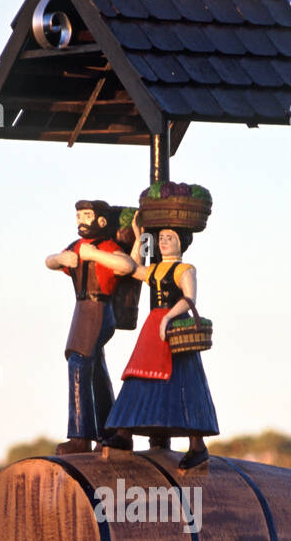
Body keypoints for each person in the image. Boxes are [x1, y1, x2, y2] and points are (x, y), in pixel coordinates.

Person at [103, 218, 218, 469]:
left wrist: (168, 316)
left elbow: (189, 298)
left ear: (182, 243)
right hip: (152, 329)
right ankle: (124, 433)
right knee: (139, 376)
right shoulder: (155, 269)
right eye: (162, 238)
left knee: (183, 381)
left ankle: (197, 444)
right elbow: (134, 268)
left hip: (174, 327)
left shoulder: (184, 269)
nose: (164, 242)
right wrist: (140, 235)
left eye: (171, 238)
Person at [45, 200, 135, 454]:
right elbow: (49, 261)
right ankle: (111, 431)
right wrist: (60, 258)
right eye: (79, 216)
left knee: (79, 363)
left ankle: (80, 436)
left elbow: (127, 265)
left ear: (101, 220)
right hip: (82, 308)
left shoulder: (105, 247)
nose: (81, 220)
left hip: (98, 308)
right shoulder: (77, 246)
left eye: (86, 215)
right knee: (95, 369)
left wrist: (94, 256)